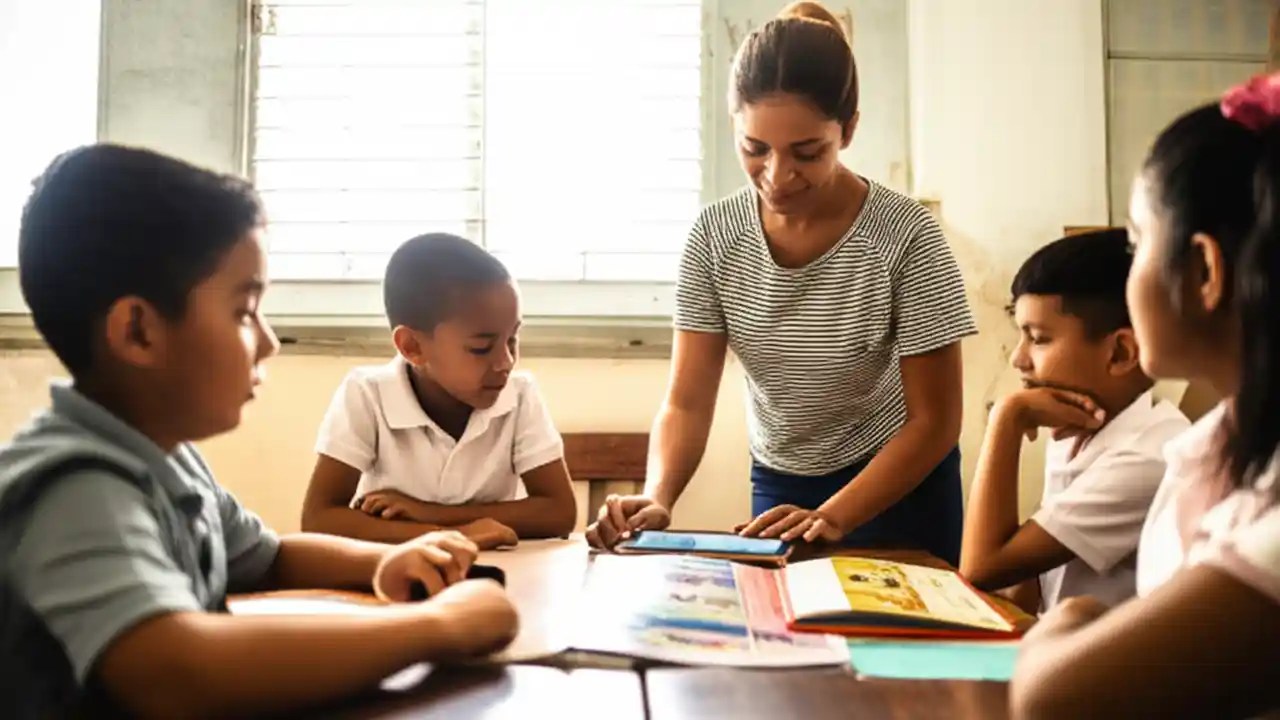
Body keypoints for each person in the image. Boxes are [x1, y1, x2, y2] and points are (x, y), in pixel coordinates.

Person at [0, 145, 518, 719]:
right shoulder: (74, 488)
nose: (269, 342)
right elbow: (174, 673)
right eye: (245, 312)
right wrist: (435, 627)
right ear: (139, 331)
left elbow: (271, 558)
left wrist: (382, 562)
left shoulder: (164, 458)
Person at [586, 0, 976, 564]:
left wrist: (835, 515)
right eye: (754, 148)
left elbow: (935, 420)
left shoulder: (906, 235)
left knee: (906, 646)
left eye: (807, 152)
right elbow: (687, 402)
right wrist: (658, 495)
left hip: (900, 482)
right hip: (783, 481)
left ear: (848, 129)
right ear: (733, 126)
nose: (777, 175)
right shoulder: (714, 236)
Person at [1010, 74, 1280, 719]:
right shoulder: (1219, 442)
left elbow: (1056, 697)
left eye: (1137, 244)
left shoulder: (1161, 451)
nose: (1022, 361)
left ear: (1204, 271)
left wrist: (1076, 617)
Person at [959, 230, 1188, 613]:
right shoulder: (1079, 428)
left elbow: (982, 569)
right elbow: (1028, 588)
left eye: (1038, 339)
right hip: (1057, 637)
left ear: (1120, 352)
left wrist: (1006, 418)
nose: (1018, 359)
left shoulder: (1148, 456)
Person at [301, 234, 576, 549]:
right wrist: (445, 535)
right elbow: (319, 519)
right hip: (398, 581)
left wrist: (432, 514)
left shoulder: (520, 393)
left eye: (512, 339)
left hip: (497, 574)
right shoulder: (367, 394)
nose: (506, 362)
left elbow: (559, 512)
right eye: (481, 347)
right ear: (412, 346)